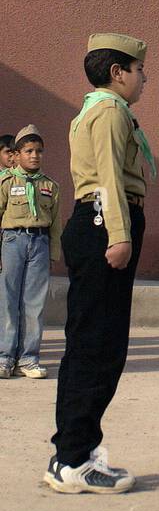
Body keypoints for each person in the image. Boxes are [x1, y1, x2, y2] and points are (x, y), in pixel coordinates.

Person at [46, 33, 154, 495]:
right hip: (104, 223)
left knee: (89, 342)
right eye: (139, 70)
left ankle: (71, 453)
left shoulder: (91, 111)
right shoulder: (110, 112)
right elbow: (109, 176)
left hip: (93, 222)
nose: (143, 78)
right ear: (118, 73)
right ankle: (74, 460)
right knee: (99, 346)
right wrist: (120, 233)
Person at [0, 125, 61, 378]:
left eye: (39, 151)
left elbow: (56, 223)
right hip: (13, 240)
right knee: (8, 301)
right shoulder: (5, 182)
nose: (34, 155)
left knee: (34, 303)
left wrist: (54, 253)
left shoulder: (50, 186)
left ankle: (29, 359)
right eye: (28, 150)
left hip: (40, 242)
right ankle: (5, 357)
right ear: (17, 154)